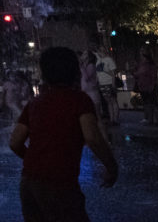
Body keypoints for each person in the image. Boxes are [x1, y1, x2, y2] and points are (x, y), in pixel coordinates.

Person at [9, 47, 118, 222]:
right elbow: (92, 137)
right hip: (60, 183)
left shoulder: (35, 103)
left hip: (29, 183)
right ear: (74, 72)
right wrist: (112, 167)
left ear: (44, 74)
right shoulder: (80, 100)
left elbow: (15, 142)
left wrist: (36, 160)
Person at [133, 50, 158, 126]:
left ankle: (154, 120)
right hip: (144, 86)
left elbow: (152, 76)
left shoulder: (147, 65)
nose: (141, 57)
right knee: (148, 103)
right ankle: (151, 119)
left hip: (149, 86)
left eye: (142, 55)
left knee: (151, 103)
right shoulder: (144, 64)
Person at [94, 51, 119, 125]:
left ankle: (115, 119)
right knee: (108, 101)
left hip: (109, 82)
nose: (99, 53)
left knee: (113, 100)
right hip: (102, 83)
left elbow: (113, 73)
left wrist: (113, 83)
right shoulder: (98, 61)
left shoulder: (109, 60)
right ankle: (112, 119)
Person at [80, 52, 102, 122]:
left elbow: (86, 78)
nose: (82, 55)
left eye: (85, 54)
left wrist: (82, 67)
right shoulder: (85, 66)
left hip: (92, 93)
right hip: (87, 92)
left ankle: (102, 132)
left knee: (96, 115)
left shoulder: (91, 66)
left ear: (88, 57)